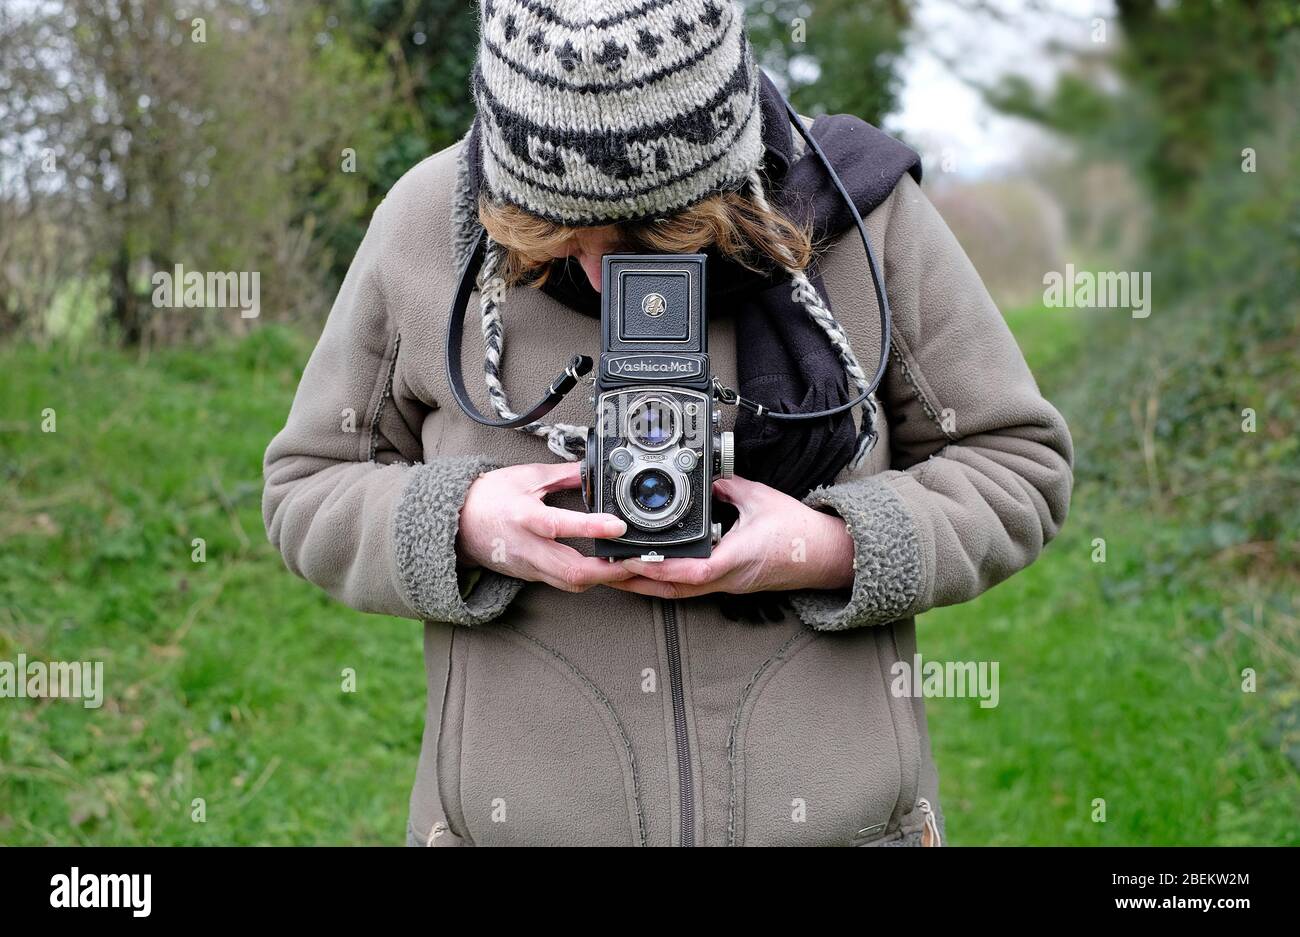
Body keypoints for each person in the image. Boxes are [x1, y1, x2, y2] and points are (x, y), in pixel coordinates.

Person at [262, 0, 1073, 847]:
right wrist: (464, 524)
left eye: (658, 232)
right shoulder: (428, 226)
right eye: (558, 238)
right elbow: (307, 485)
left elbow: (1014, 460)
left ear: (729, 171)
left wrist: (829, 549)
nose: (607, 275)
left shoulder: (860, 217)